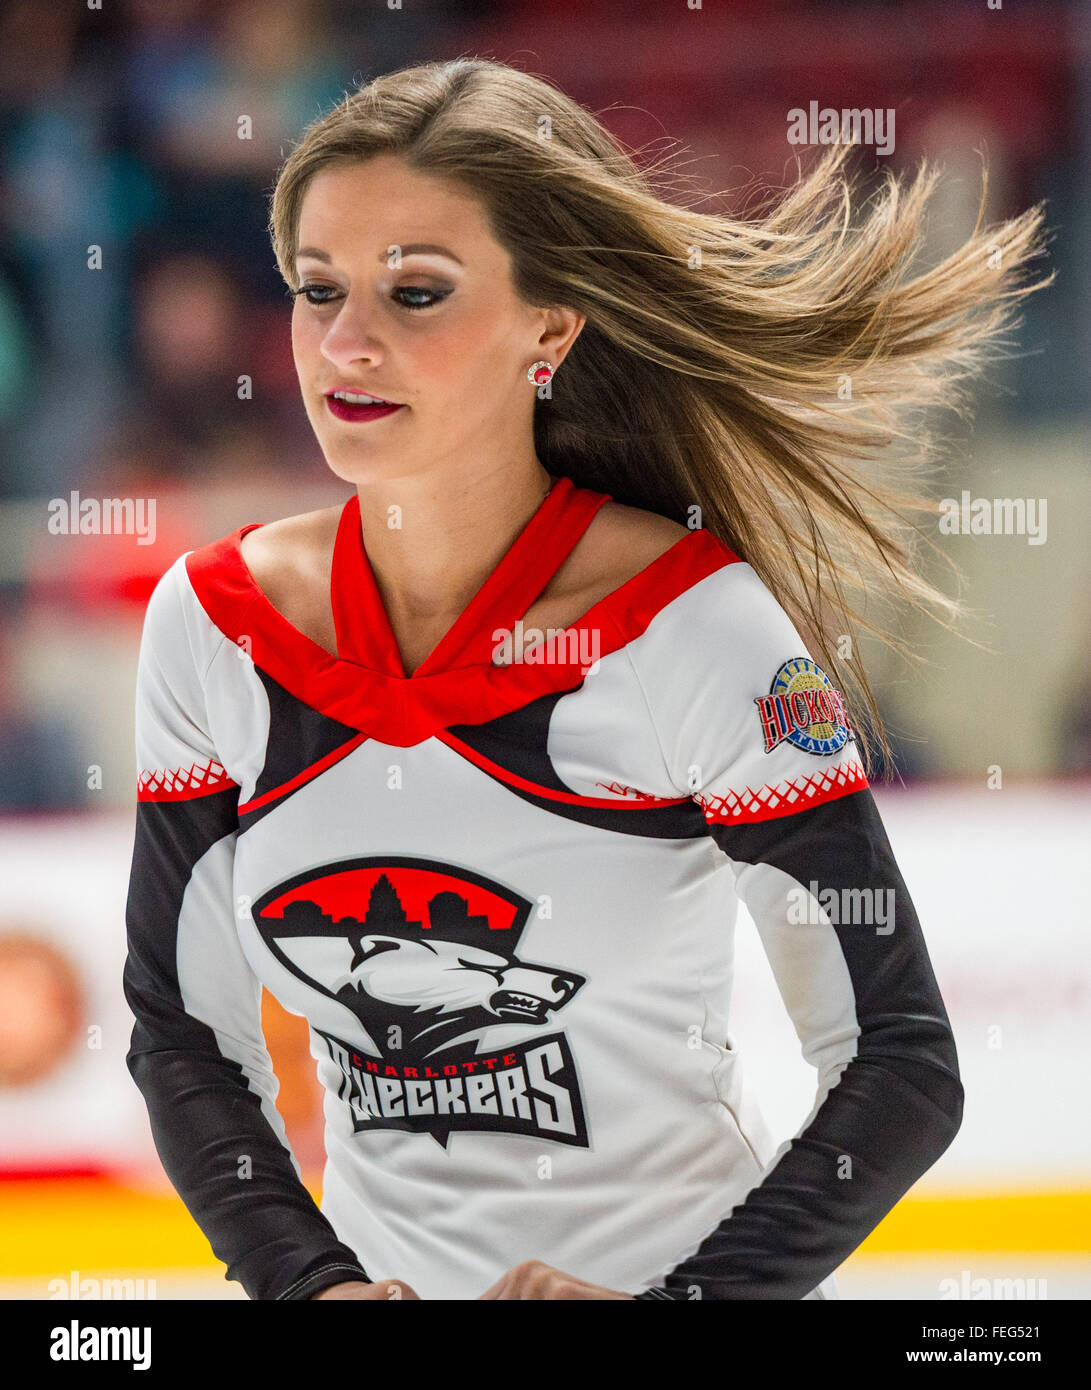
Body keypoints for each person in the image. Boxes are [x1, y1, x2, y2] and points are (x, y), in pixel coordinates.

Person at [122, 58, 1048, 1301]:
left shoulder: (693, 625)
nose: (345, 342)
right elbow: (185, 1033)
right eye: (317, 287)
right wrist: (314, 1289)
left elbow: (896, 1060)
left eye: (416, 291)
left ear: (550, 326)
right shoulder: (213, 624)